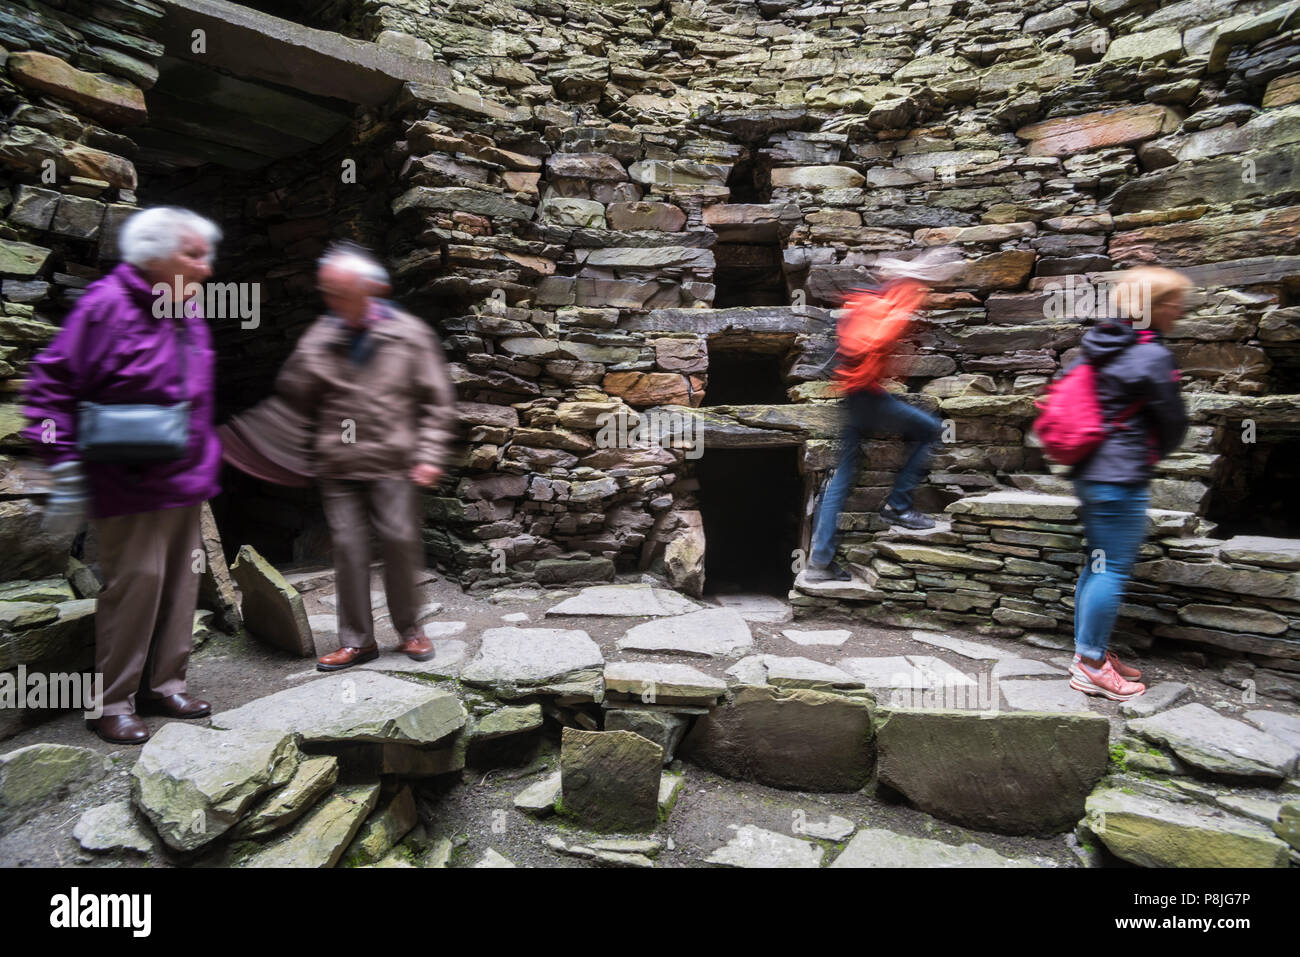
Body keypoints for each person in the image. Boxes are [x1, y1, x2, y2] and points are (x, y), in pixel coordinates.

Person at [21, 207, 223, 744]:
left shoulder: (188, 308)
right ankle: (110, 702)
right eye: (193, 255)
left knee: (183, 583)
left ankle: (166, 685)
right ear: (152, 256)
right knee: (135, 587)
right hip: (126, 478)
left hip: (184, 476)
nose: (206, 267)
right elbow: (47, 389)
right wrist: (60, 459)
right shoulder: (105, 306)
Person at [223, 243, 456, 671]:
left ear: (371, 290)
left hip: (394, 460)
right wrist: (247, 439)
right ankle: (357, 642)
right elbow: (293, 397)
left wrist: (429, 453)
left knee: (400, 543)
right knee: (348, 549)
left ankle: (410, 630)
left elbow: (438, 401)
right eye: (330, 294)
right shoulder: (321, 336)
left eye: (343, 293)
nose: (334, 302)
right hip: (340, 463)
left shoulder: (409, 334)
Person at [1067, 267, 1190, 701]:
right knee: (1111, 568)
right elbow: (1174, 423)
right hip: (1120, 476)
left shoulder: (1101, 343)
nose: (1181, 309)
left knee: (1096, 564)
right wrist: (1151, 453)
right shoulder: (1151, 354)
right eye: (1174, 301)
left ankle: (1088, 653)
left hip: (1088, 470)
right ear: (1155, 306)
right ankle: (1091, 664)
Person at [804, 248, 963, 583]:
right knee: (931, 430)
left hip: (857, 395)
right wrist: (900, 310)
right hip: (865, 396)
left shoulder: (868, 302)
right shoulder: (880, 306)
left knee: (845, 474)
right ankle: (899, 506)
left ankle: (820, 563)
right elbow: (867, 344)